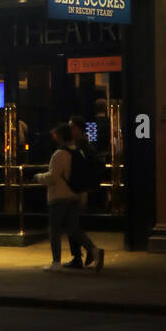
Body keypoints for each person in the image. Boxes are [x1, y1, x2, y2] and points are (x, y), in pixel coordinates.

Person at [34, 124, 80, 270]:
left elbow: (53, 177)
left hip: (59, 195)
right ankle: (93, 249)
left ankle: (56, 261)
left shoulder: (59, 154)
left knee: (54, 230)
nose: (54, 138)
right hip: (73, 194)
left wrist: (39, 177)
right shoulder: (75, 151)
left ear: (60, 136)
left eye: (56, 135)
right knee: (73, 229)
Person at [65, 116, 104, 271]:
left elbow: (82, 170)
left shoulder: (81, 147)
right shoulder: (84, 146)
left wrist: (84, 189)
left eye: (71, 127)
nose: (70, 130)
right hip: (80, 189)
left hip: (79, 190)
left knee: (72, 224)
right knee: (73, 224)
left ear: (79, 129)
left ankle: (86, 252)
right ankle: (82, 254)